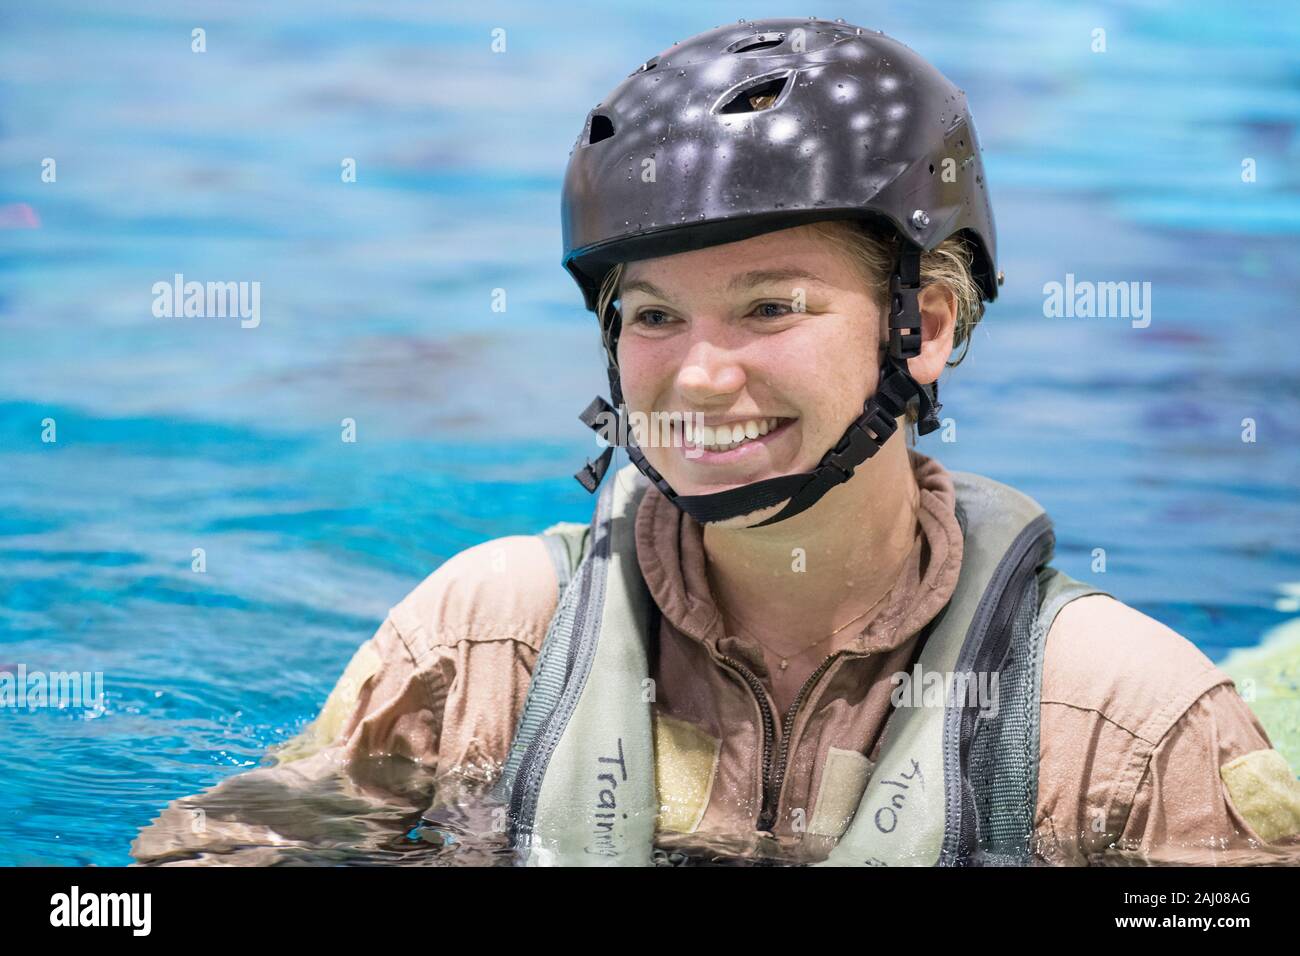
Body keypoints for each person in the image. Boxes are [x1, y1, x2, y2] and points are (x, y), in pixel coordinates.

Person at [131, 17, 1300, 867]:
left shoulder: (1127, 720)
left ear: (925, 325)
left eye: (769, 307)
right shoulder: (485, 638)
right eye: (650, 315)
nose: (696, 373)